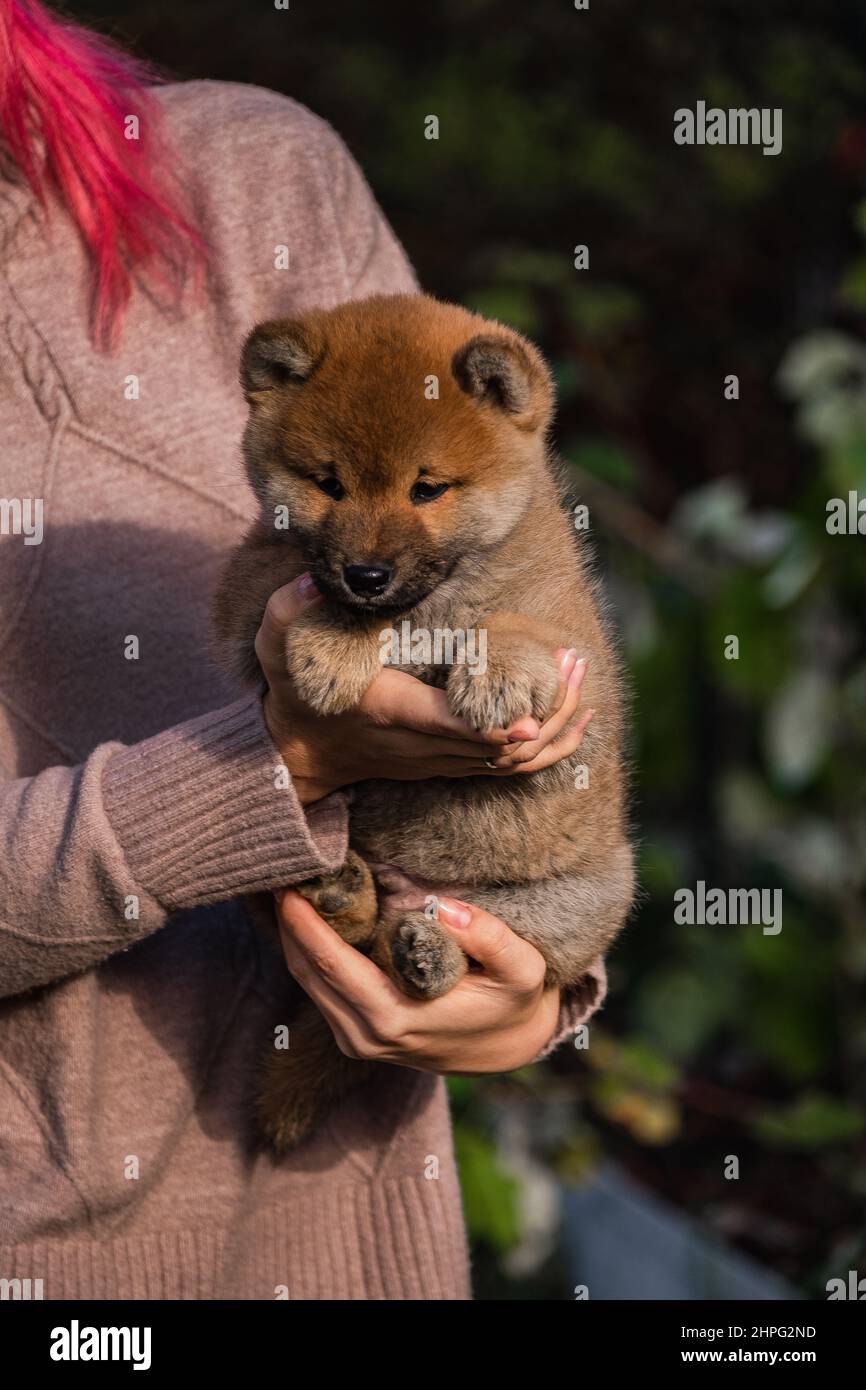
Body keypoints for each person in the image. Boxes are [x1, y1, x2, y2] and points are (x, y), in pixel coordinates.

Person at [0, 1, 605, 1299]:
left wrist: (529, 977)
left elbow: (519, 568)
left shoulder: (251, 178)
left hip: (352, 1237)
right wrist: (265, 761)